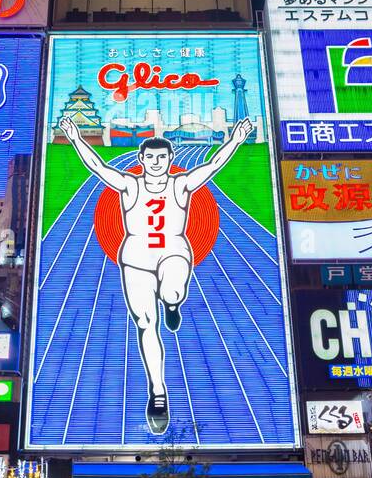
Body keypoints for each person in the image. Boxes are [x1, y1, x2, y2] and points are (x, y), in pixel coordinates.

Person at [58, 115, 254, 434]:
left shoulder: (181, 184)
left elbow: (214, 165)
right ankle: (158, 392)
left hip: (173, 252)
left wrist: (235, 139)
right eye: (150, 157)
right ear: (142, 159)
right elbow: (98, 167)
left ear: (170, 159)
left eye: (162, 157)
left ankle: (173, 304)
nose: (156, 162)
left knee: (173, 292)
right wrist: (76, 138)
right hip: (136, 259)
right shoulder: (129, 185)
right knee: (146, 324)